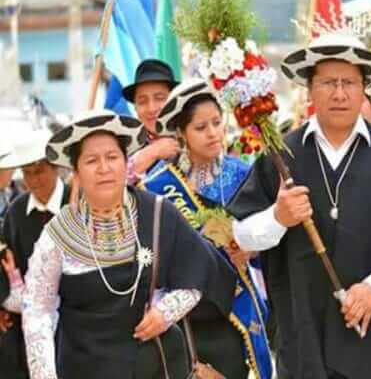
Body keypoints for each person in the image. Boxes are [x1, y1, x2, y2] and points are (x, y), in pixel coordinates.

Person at [228, 29, 371, 379]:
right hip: (300, 336)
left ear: (364, 88)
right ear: (309, 89)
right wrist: (278, 217)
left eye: (348, 82)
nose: (339, 93)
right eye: (327, 82)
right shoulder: (281, 156)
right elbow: (242, 234)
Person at [18, 110, 234, 379]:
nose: (104, 168)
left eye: (112, 157)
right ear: (76, 172)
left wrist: (165, 312)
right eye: (91, 160)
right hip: (82, 367)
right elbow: (38, 310)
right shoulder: (57, 234)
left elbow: (199, 271)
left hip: (155, 365)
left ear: (124, 162)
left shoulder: (157, 212)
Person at [143, 80, 272, 379]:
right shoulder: (159, 183)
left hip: (233, 309)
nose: (213, 133)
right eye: (201, 128)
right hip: (184, 317)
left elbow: (268, 239)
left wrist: (250, 249)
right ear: (182, 134)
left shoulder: (243, 174)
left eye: (216, 122)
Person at [0, 131, 69, 379]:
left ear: (57, 167)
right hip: (28, 320)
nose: (33, 180)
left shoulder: (77, 202)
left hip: (75, 317)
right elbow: (4, 262)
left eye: (39, 170)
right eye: (27, 172)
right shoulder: (16, 213)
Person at [123, 59, 181, 184]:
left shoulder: (195, 134)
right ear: (135, 108)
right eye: (143, 101)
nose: (151, 108)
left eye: (159, 98)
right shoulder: (125, 148)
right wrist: (151, 153)